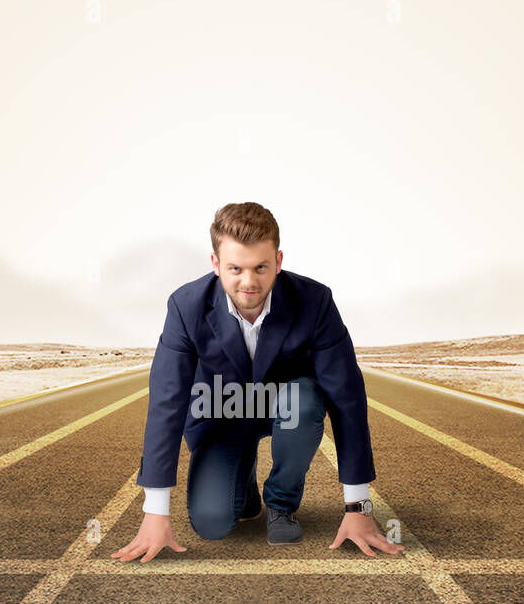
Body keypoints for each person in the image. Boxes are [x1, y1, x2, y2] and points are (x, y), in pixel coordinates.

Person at [112, 201, 405, 564]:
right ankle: (243, 485)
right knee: (212, 523)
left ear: (278, 262)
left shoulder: (315, 302)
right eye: (235, 268)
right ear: (216, 264)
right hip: (220, 413)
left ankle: (281, 504)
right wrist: (155, 513)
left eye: (261, 268)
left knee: (301, 401)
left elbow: (347, 397)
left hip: (287, 406)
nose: (249, 282)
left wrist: (359, 506)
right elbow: (167, 402)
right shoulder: (185, 306)